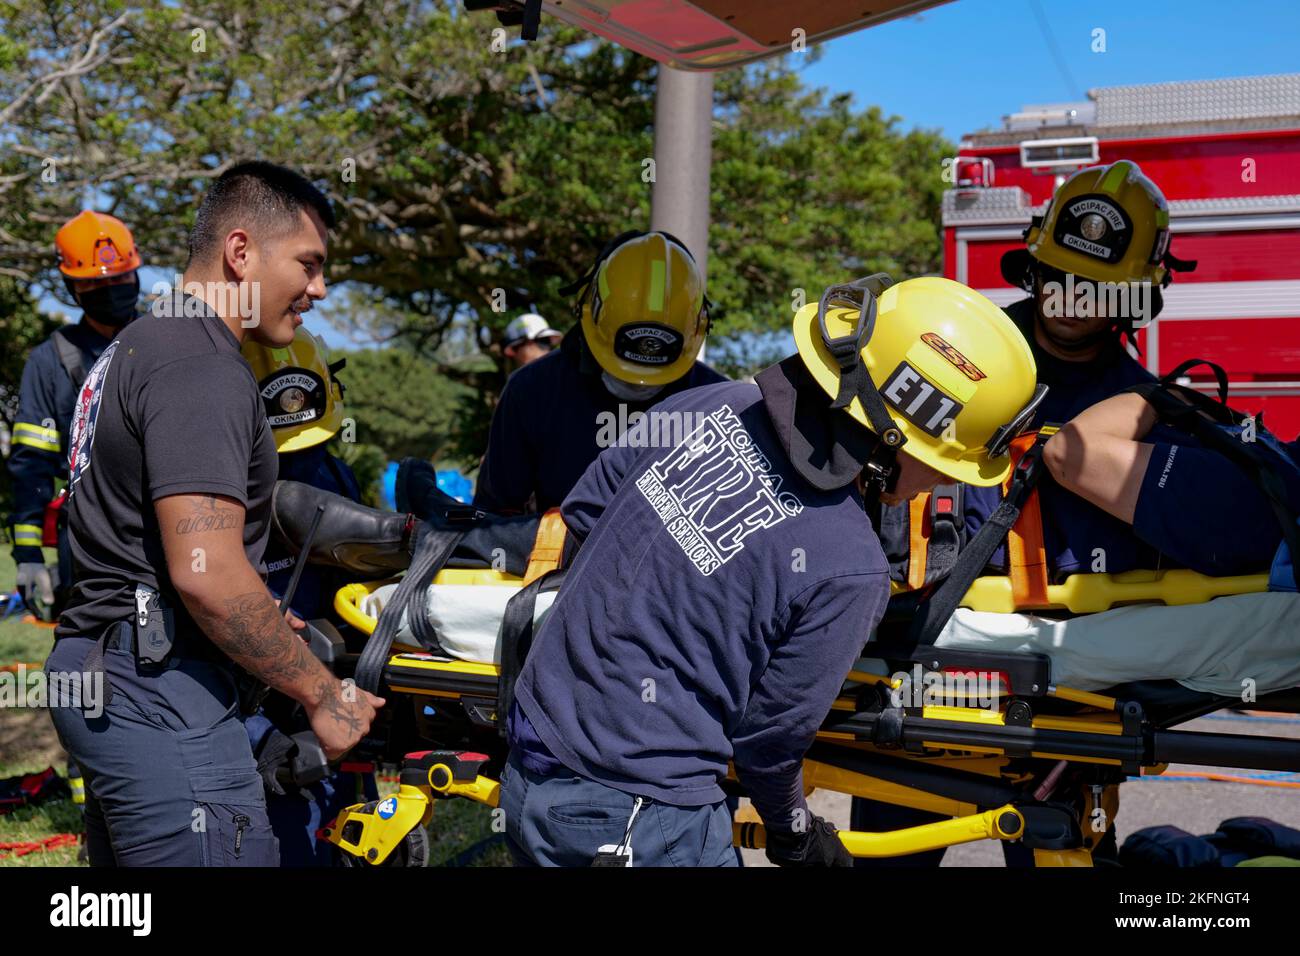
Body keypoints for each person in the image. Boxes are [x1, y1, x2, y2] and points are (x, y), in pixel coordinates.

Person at [499, 275, 1044, 866]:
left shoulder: (712, 402)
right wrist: (796, 834)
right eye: (945, 464)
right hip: (641, 815)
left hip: (531, 755)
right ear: (897, 437)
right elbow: (769, 744)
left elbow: (585, 511)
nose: (948, 482)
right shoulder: (851, 568)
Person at [860, 160, 1200, 866]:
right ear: (1035, 263)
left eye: (1096, 287)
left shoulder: (1148, 415)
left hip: (1061, 702)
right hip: (917, 674)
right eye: (1059, 274)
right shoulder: (955, 357)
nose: (1070, 298)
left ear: (1135, 297)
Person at [44, 161, 383, 867]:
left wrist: (257, 621)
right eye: (308, 264)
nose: (319, 290)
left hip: (111, 671)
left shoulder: (139, 343)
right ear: (240, 252)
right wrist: (325, 695)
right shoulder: (199, 364)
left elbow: (149, 549)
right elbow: (208, 576)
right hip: (159, 695)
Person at [240, 328, 380, 866]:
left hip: (331, 686)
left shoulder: (331, 470)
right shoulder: (217, 482)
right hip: (256, 698)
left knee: (339, 826)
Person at [474, 231, 727, 515]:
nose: (637, 384)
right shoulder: (533, 391)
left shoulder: (721, 410)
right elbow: (493, 517)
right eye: (622, 371)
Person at [7, 211, 143, 621]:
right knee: (92, 654)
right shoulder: (50, 361)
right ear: (72, 288)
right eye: (96, 282)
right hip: (86, 539)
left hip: (165, 526)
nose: (111, 288)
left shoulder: (165, 339)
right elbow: (30, 464)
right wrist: (29, 552)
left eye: (119, 277)